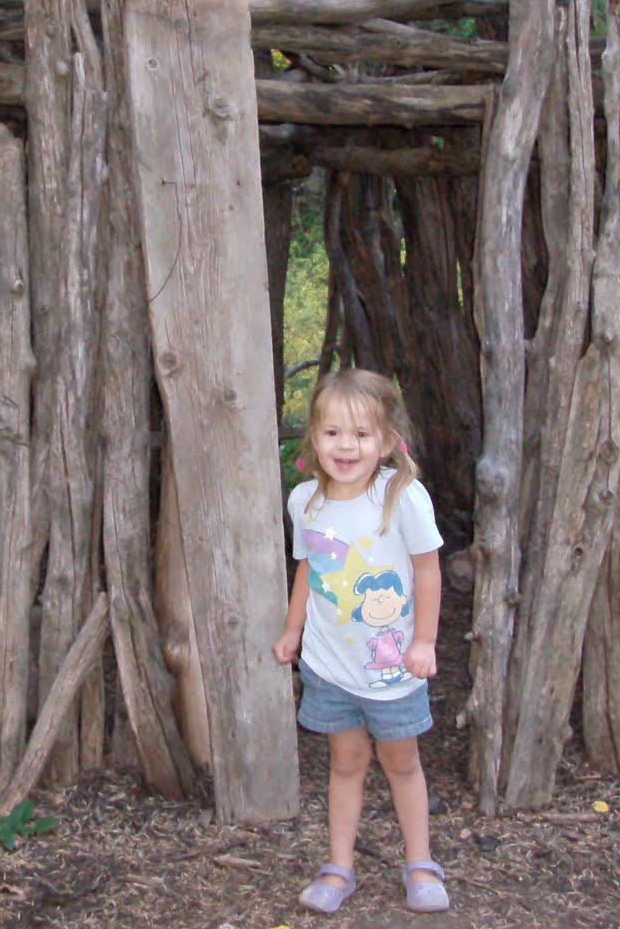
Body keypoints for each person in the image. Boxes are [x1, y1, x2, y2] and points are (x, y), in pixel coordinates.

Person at [273, 367, 449, 915]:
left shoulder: (403, 497)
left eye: (361, 434)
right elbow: (309, 568)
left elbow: (427, 571)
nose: (345, 446)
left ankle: (420, 863)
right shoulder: (305, 501)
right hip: (331, 668)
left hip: (394, 669)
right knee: (345, 762)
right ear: (314, 439)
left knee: (401, 762)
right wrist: (292, 629)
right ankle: (339, 865)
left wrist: (425, 640)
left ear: (387, 442)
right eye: (331, 433)